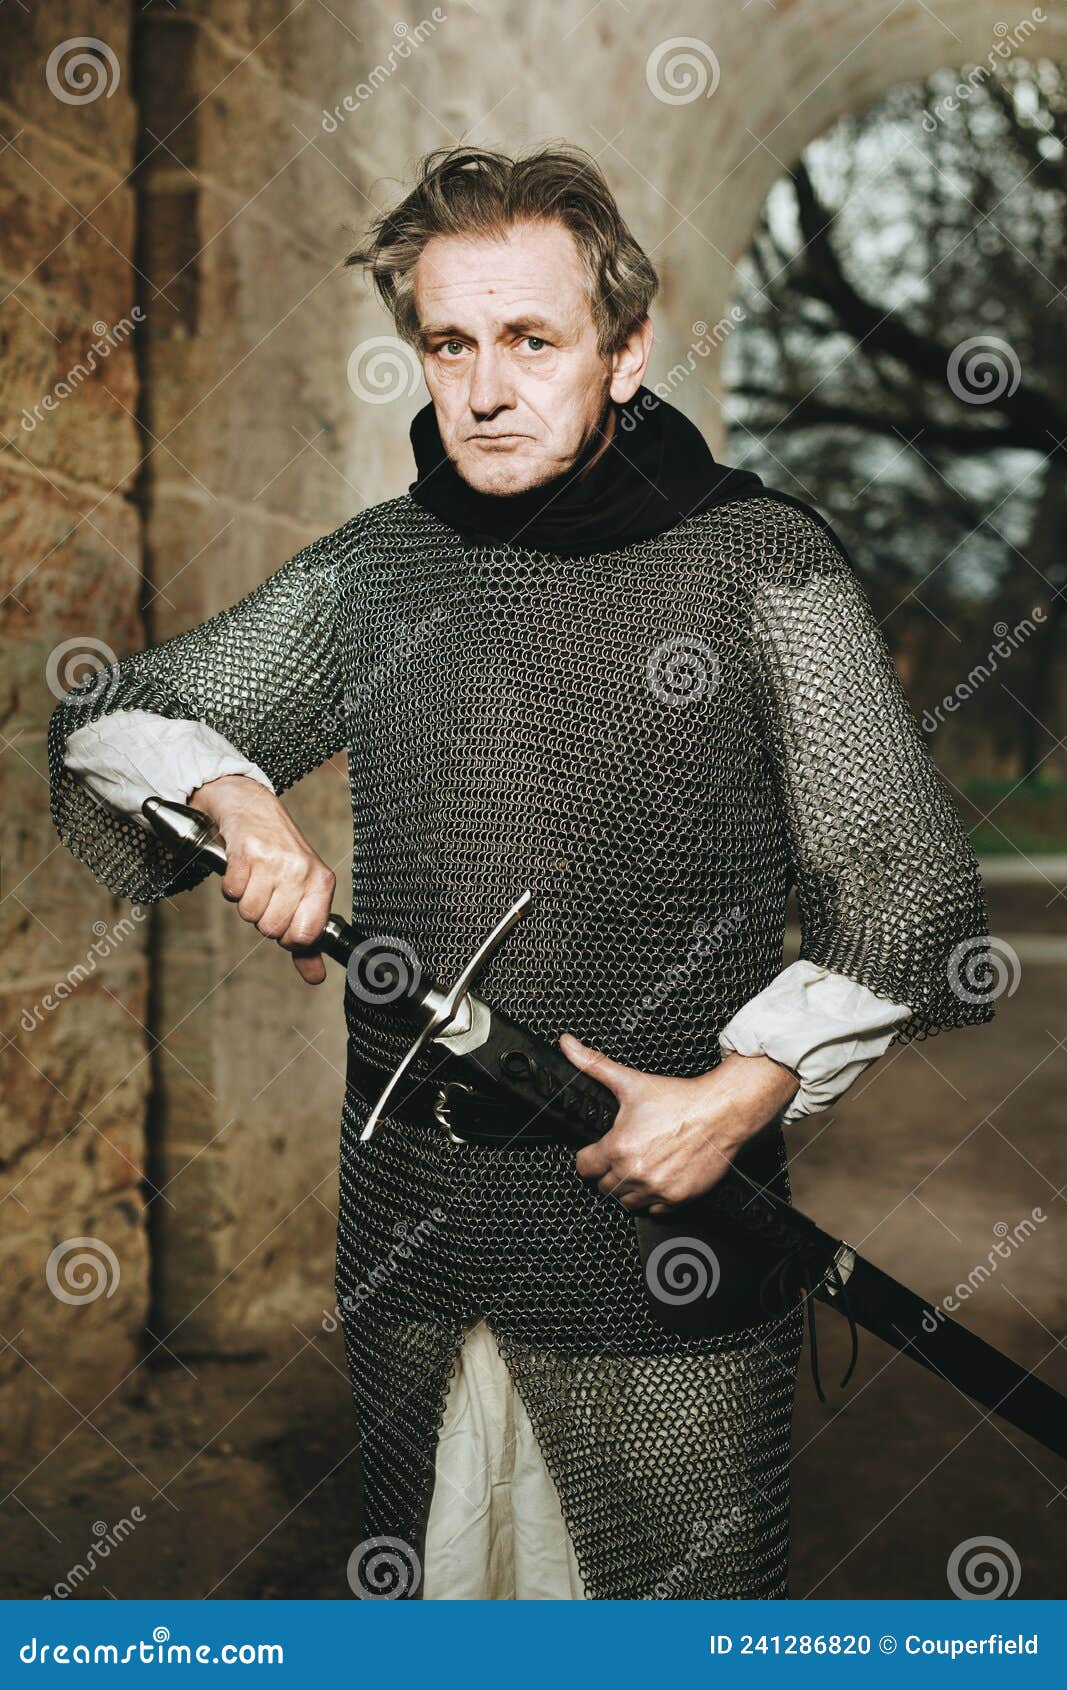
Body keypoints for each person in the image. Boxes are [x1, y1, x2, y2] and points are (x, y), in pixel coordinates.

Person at [49, 144, 992, 1601]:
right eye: (450, 342)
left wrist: (742, 1095)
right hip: (421, 1245)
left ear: (624, 351)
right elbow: (102, 717)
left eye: (533, 340)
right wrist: (235, 794)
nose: (485, 388)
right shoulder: (379, 575)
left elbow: (907, 891)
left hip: (661, 1265)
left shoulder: (754, 564)